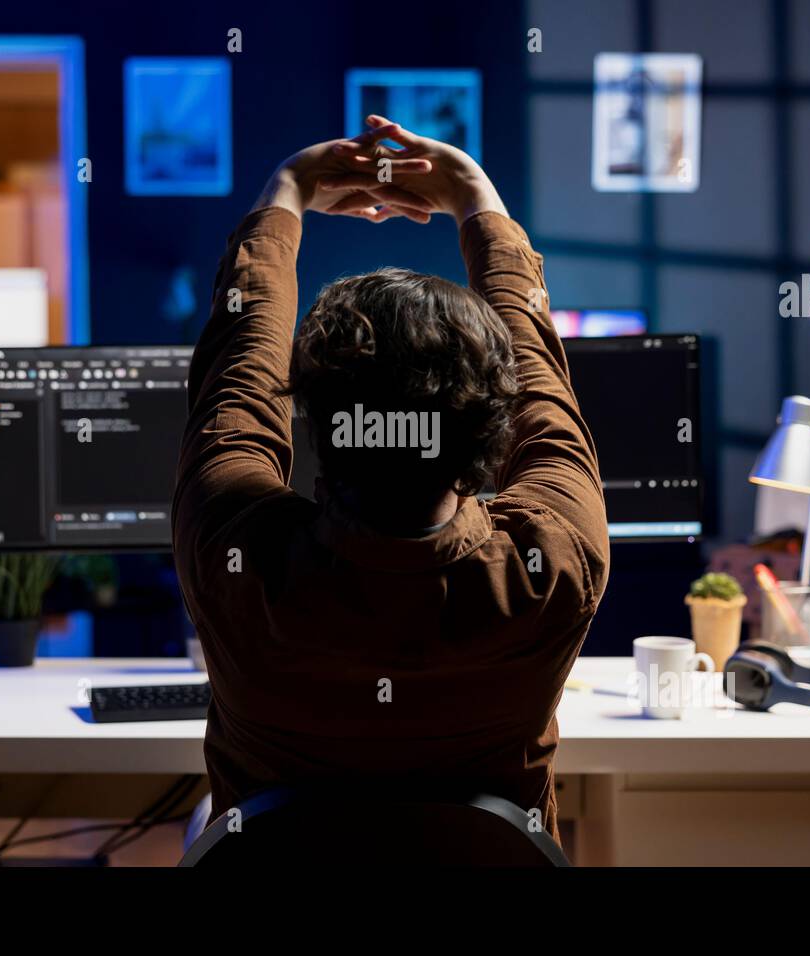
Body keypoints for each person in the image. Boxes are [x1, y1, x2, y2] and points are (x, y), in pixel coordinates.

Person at [172, 116, 608, 847]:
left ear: (316, 419)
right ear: (489, 425)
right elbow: (542, 392)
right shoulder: (553, 560)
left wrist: (289, 189)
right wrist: (474, 197)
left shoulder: (233, 551)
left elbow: (239, 382)